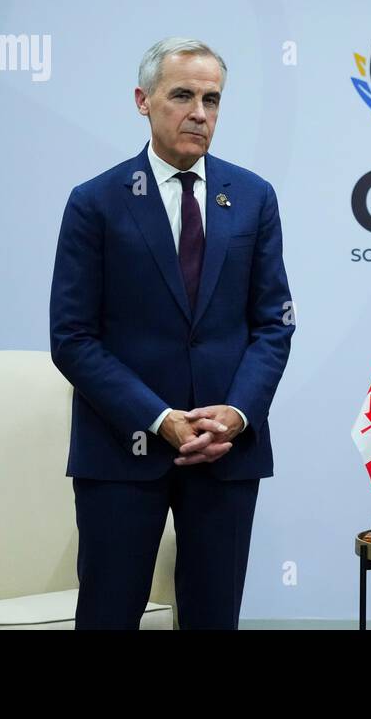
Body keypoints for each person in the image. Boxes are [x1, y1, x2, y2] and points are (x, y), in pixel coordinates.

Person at [49, 37, 294, 629]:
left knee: (214, 619)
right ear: (143, 100)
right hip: (122, 450)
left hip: (226, 452)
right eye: (182, 95)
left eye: (212, 99)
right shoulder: (96, 202)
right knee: (107, 615)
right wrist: (160, 420)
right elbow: (73, 337)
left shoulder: (254, 198)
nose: (200, 113)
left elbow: (274, 324)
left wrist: (236, 414)